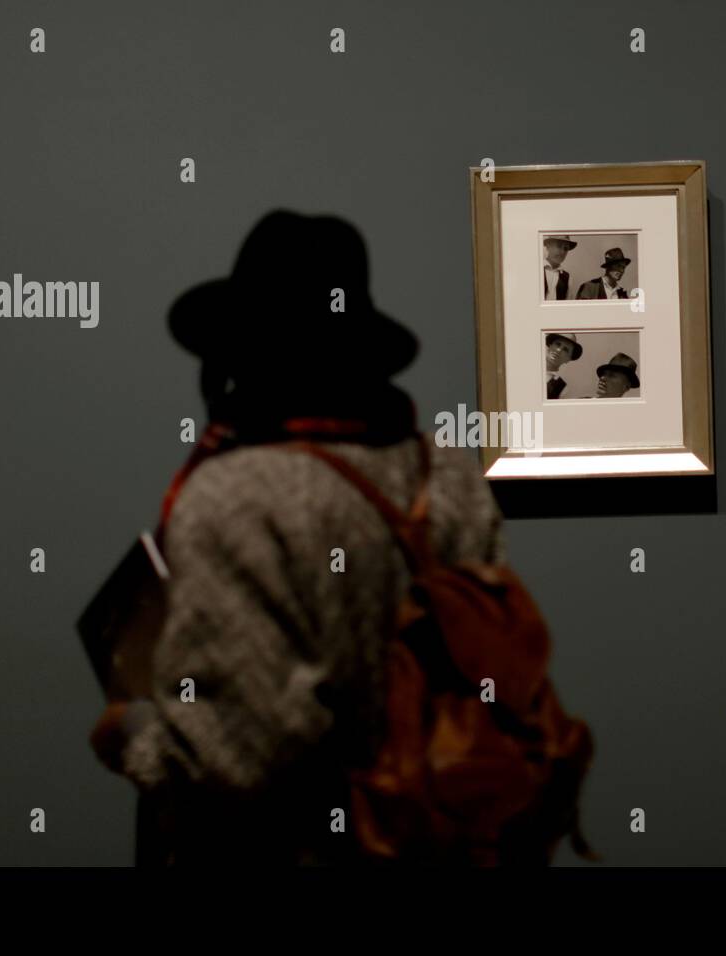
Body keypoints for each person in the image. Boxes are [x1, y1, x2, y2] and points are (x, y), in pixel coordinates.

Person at [88, 210, 507, 866]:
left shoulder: (232, 495)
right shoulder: (451, 477)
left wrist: (132, 735)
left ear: (235, 357)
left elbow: (238, 755)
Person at [544, 332, 582, 399]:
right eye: (558, 344)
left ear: (568, 359)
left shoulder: (562, 389)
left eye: (565, 349)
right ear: (550, 345)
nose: (559, 350)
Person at [542, 235, 577, 300]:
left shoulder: (567, 278)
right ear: (548, 246)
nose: (562, 252)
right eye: (559, 246)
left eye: (565, 249)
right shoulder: (535, 269)